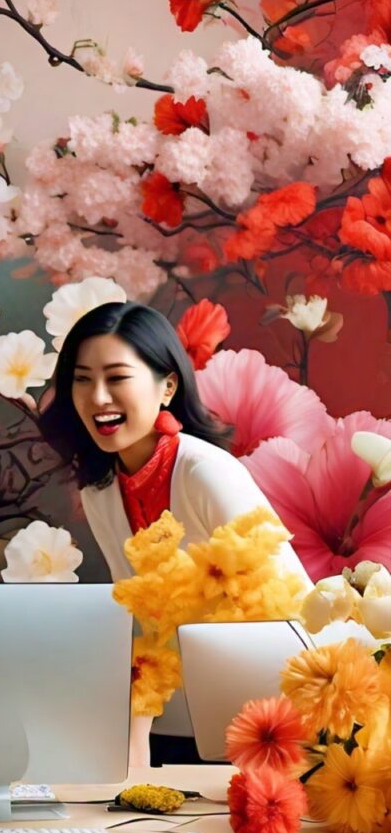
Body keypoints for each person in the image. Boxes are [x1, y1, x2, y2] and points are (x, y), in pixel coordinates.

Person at [38, 301, 312, 767]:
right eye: (82, 379)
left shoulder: (206, 473)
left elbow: (297, 614)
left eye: (117, 377)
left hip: (265, 731)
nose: (98, 397)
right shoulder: (101, 490)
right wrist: (132, 741)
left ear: (167, 386)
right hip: (171, 732)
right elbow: (141, 622)